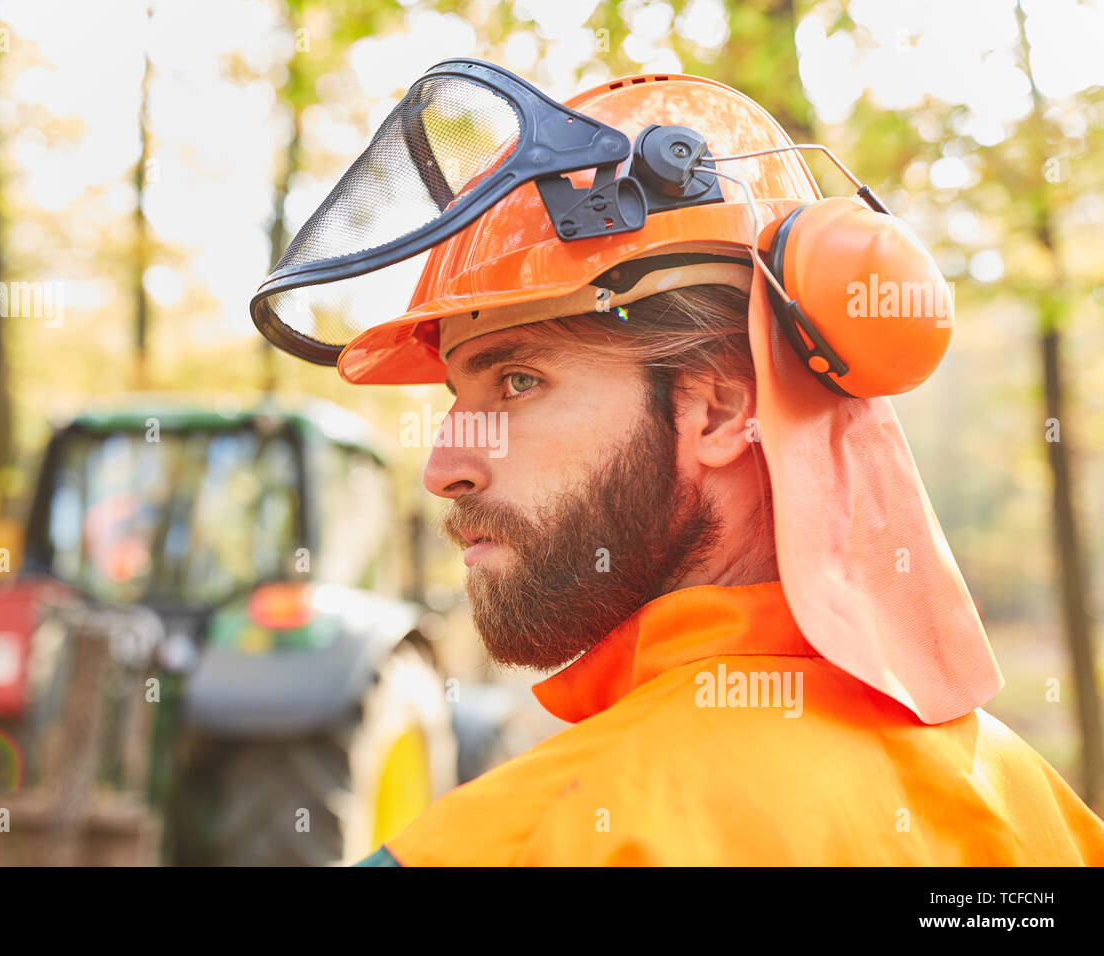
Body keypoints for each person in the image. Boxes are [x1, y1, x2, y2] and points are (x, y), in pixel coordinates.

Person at [250, 59, 1104, 865]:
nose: (444, 467)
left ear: (719, 410)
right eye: (456, 403)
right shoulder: (1039, 816)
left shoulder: (521, 843)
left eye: (516, 381)